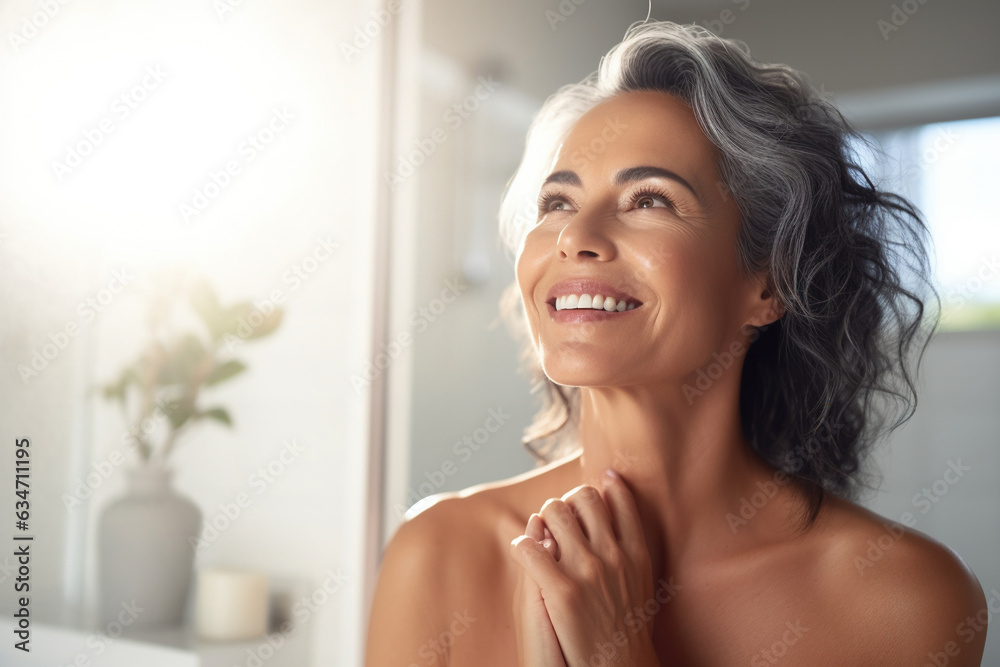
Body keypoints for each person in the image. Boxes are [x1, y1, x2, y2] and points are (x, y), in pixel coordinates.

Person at [365, 19, 988, 666]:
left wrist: (620, 652)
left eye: (649, 199)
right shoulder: (437, 554)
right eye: (557, 201)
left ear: (767, 285)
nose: (577, 234)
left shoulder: (904, 598)